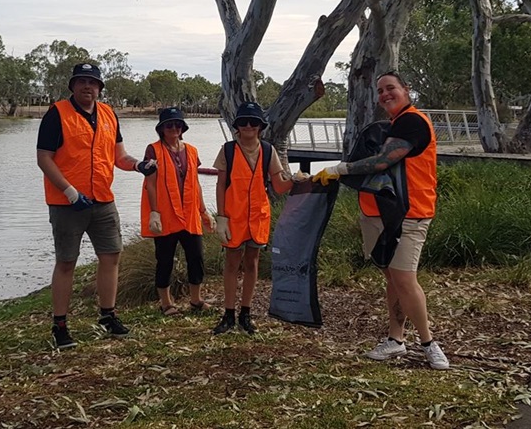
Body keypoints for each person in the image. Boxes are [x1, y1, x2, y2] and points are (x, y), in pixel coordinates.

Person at [312, 71, 450, 370]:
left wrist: (341, 169)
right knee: (393, 279)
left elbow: (383, 161)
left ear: (406, 89)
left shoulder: (412, 122)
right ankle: (396, 339)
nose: (385, 94)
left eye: (391, 88)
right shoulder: (394, 124)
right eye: (380, 91)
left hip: (409, 214)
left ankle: (428, 343)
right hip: (379, 213)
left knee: (405, 279)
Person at [36, 62, 157, 350]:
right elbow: (44, 158)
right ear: (73, 86)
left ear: (100, 88)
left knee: (111, 256)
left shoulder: (108, 115)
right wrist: (69, 192)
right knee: (66, 262)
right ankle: (60, 326)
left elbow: (119, 157)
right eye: (81, 81)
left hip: (103, 199)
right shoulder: (57, 114)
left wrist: (139, 165)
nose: (87, 86)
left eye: (92, 82)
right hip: (67, 203)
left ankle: (108, 315)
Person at [212, 102, 297, 335]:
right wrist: (221, 217)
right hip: (233, 217)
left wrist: (298, 180)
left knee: (252, 263)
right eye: (243, 121)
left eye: (253, 122)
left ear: (260, 126)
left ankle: (246, 314)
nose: (248, 126)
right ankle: (228, 314)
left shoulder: (268, 151)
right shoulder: (228, 150)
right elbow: (220, 185)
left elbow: (279, 186)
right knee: (231, 264)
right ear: (237, 126)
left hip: (258, 217)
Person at [140, 107, 215, 316]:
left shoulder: (191, 150)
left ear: (183, 128)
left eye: (177, 124)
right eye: (169, 125)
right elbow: (151, 184)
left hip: (189, 214)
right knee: (164, 259)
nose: (174, 128)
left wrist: (203, 211)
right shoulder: (153, 150)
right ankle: (166, 303)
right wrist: (154, 213)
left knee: (196, 257)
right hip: (165, 215)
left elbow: (196, 182)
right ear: (161, 129)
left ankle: (196, 300)